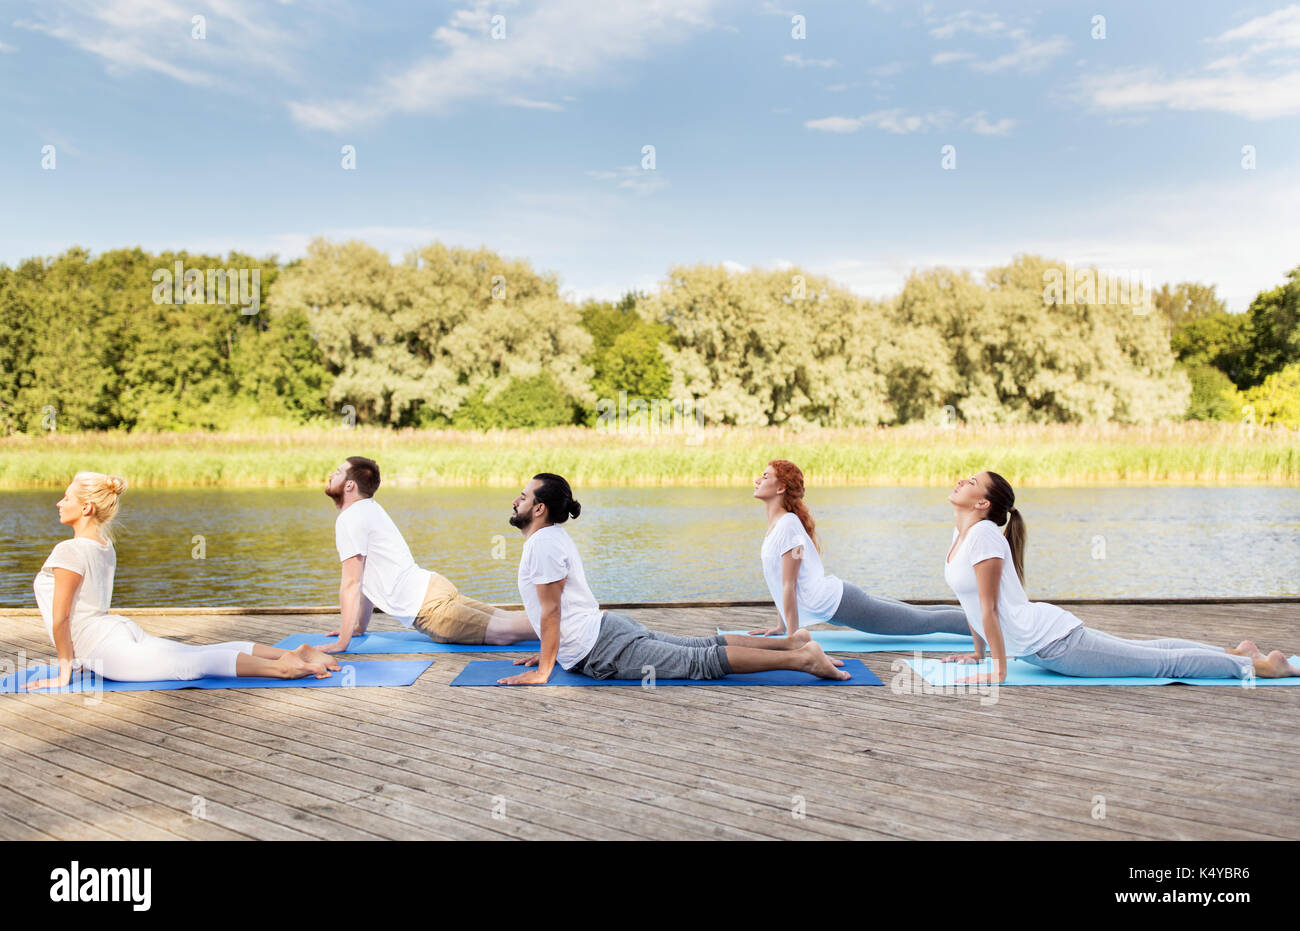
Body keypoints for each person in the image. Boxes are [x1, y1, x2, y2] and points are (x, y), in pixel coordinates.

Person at [940, 470, 1299, 684]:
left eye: (972, 481)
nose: (961, 480)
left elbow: (988, 609)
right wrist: (978, 654)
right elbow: (972, 605)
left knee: (1160, 664)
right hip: (1043, 639)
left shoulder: (985, 535)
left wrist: (997, 671)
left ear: (983, 504)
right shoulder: (962, 536)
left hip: (1053, 643)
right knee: (1146, 651)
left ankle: (1263, 666)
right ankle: (1238, 652)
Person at [498, 472, 850, 685]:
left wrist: (545, 667)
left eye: (524, 496)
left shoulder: (541, 546)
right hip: (605, 631)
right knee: (698, 648)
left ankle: (801, 659)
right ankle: (791, 642)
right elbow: (556, 610)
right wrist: (554, 653)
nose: (517, 501)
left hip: (601, 648)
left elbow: (552, 613)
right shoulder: (552, 538)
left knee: (700, 662)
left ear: (540, 508)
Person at [28, 472, 339, 690]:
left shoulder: (69, 550)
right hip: (115, 631)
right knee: (193, 654)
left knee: (190, 665)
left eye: (65, 497)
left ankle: (283, 667)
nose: (59, 502)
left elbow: (62, 617)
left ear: (86, 507)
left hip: (103, 645)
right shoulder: (103, 544)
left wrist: (65, 669)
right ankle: (290, 653)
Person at [322, 456, 535, 652]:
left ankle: (565, 629)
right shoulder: (370, 509)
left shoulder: (350, 518)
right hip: (432, 588)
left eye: (338, 472)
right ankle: (563, 622)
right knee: (509, 619)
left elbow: (351, 583)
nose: (331, 475)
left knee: (506, 632)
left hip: (429, 608)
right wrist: (358, 626)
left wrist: (343, 642)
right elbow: (365, 582)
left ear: (350, 485)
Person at [748, 459, 971, 640]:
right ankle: (986, 620)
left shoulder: (788, 525)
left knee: (925, 621)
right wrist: (781, 626)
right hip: (839, 599)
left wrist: (793, 637)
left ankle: (993, 629)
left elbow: (790, 584)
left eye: (765, 476)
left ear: (781, 487)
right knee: (922, 614)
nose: (757, 480)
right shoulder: (780, 525)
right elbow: (779, 581)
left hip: (841, 602)